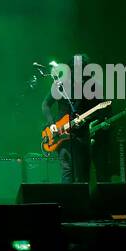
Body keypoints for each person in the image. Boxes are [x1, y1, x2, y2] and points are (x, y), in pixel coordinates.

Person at [41, 52, 109, 186]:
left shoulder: (92, 86)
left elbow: (102, 108)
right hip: (61, 134)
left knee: (83, 173)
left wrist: (90, 120)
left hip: (82, 135)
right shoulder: (61, 84)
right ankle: (67, 202)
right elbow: (45, 104)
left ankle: (82, 203)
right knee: (67, 170)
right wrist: (52, 124)